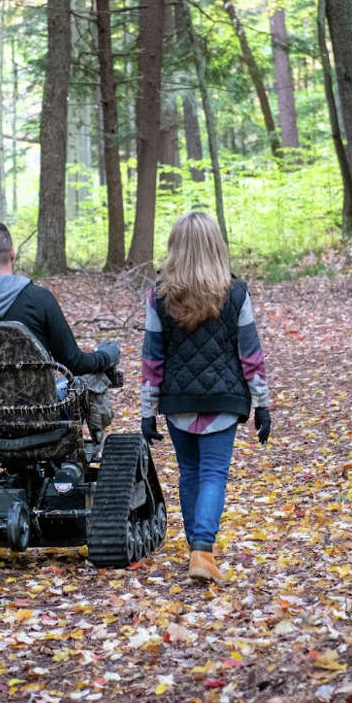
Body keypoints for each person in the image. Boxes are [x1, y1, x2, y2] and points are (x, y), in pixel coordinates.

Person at [140, 212, 271, 584]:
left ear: (175, 248)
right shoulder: (236, 292)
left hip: (178, 401)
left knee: (190, 473)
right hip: (223, 401)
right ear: (216, 247)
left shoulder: (160, 295)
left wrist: (147, 411)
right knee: (213, 473)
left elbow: (152, 358)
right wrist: (262, 403)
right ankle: (202, 550)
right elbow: (251, 354)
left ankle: (197, 551)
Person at [0, 221, 120, 374]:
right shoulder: (40, 300)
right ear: (12, 254)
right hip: (38, 418)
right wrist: (106, 355)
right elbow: (74, 363)